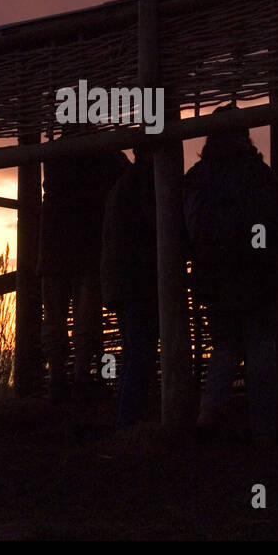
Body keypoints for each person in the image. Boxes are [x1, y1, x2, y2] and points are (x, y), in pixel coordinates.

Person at [184, 104, 278, 439]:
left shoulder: (198, 178)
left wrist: (209, 257)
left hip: (217, 277)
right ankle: (263, 425)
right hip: (256, 275)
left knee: (225, 345)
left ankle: (209, 414)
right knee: (259, 345)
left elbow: (191, 229)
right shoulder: (259, 175)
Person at [38, 126, 129, 403]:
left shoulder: (53, 154)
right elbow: (124, 170)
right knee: (85, 320)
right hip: (87, 249)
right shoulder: (103, 153)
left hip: (54, 250)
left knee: (55, 321)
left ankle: (58, 381)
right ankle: (80, 379)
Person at [100, 147, 158, 424]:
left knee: (134, 352)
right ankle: (129, 423)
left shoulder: (123, 184)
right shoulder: (144, 182)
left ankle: (126, 422)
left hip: (122, 282)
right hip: (138, 282)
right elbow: (156, 225)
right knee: (140, 353)